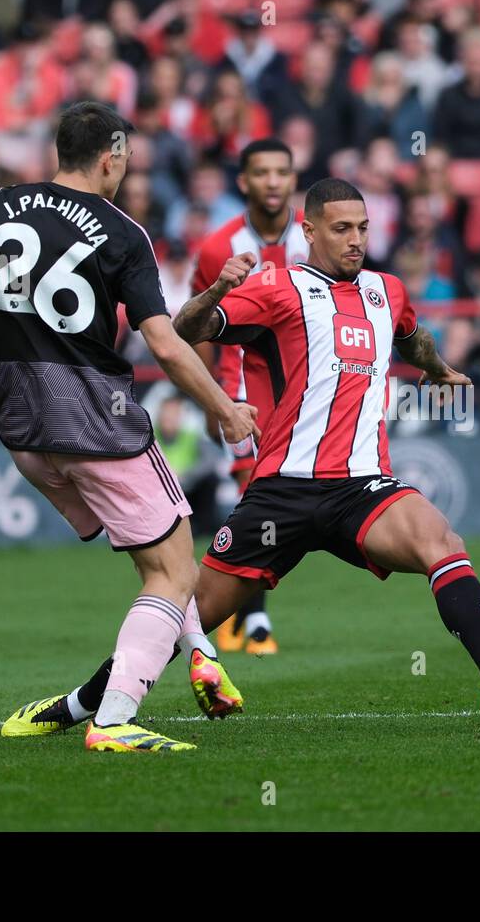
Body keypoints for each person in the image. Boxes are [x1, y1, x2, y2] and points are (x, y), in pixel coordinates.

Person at [9, 178, 480, 727]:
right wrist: (217, 291)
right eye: (341, 229)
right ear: (309, 230)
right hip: (281, 491)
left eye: (362, 228)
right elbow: (185, 327)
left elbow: (409, 334)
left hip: (362, 487)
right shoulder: (280, 288)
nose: (355, 240)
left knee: (441, 541)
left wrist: (437, 369)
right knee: (185, 611)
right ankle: (80, 705)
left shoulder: (386, 290)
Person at [0, 102, 259, 753]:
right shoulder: (124, 233)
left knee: (159, 558)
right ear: (110, 155)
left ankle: (190, 655)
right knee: (173, 567)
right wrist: (224, 407)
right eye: (127, 157)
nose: (127, 167)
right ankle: (113, 720)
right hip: (96, 421)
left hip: (24, 433)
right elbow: (163, 345)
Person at [189, 137, 308, 654]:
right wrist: (212, 397)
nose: (274, 182)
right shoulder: (219, 247)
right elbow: (193, 327)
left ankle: (234, 615)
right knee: (256, 494)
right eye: (262, 173)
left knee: (285, 495)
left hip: (305, 387)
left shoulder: (316, 234)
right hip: (243, 388)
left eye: (282, 172)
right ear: (244, 181)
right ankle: (251, 620)